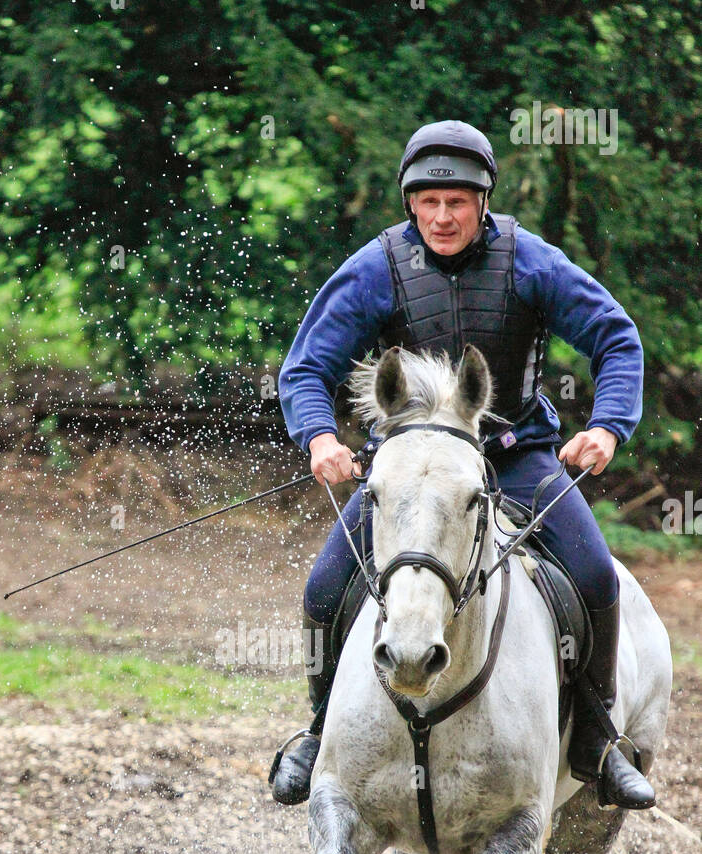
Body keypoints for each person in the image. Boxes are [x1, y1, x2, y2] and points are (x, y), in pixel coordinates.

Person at [270, 118, 655, 811]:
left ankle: (595, 738)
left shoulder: (529, 260)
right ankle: (317, 728)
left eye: (457, 203)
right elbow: (305, 367)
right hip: (414, 470)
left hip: (517, 460)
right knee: (326, 585)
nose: (442, 217)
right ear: (410, 203)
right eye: (428, 202)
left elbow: (615, 337)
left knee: (597, 575)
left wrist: (607, 425)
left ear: (483, 201)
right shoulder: (376, 267)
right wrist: (319, 437)